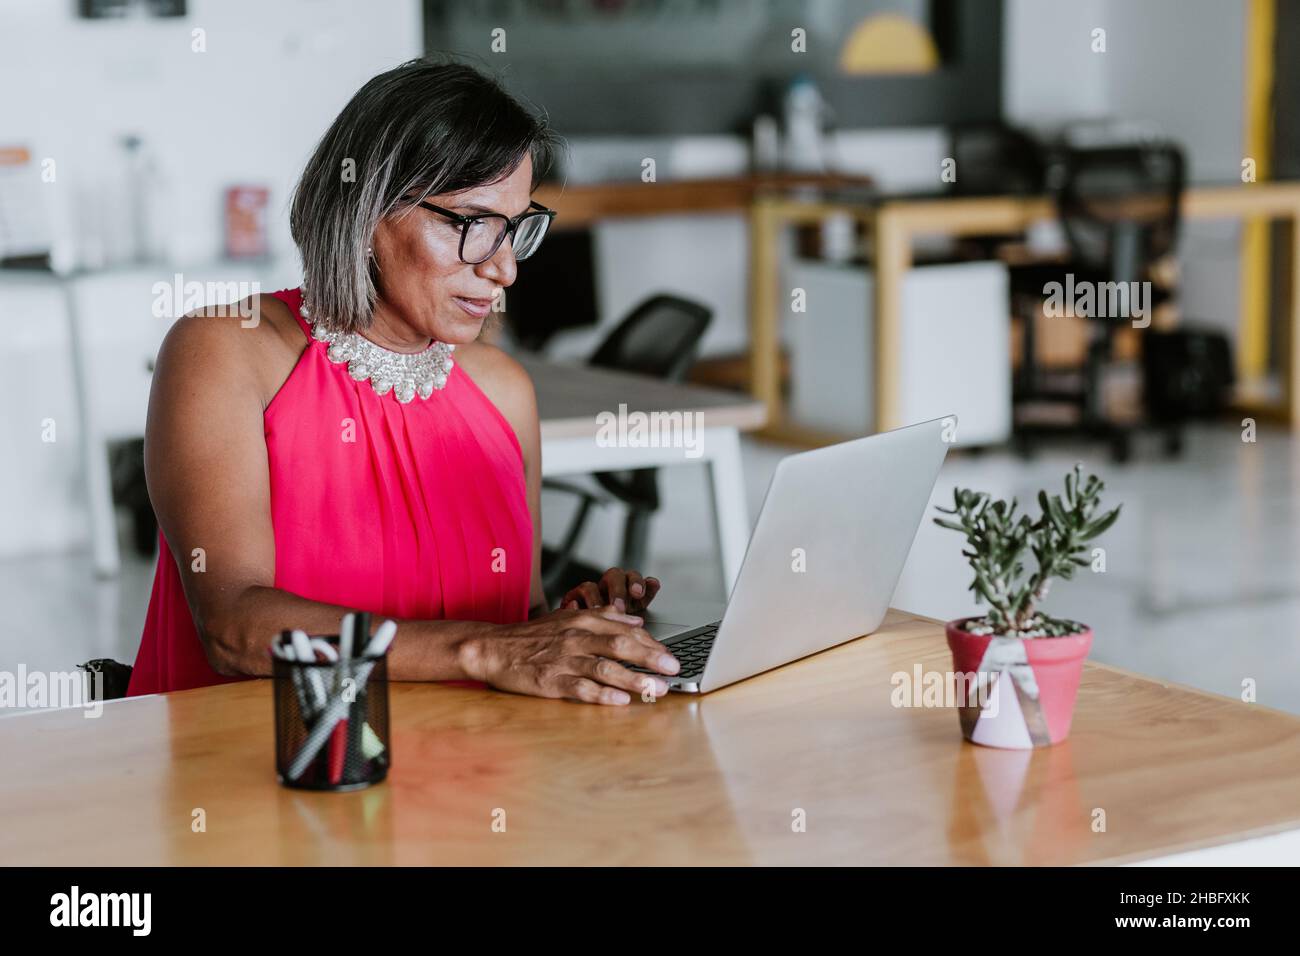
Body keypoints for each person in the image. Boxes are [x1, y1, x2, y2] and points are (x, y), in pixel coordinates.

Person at [126, 58, 679, 705]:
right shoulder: (227, 348)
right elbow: (234, 626)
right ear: (367, 213)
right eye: (472, 225)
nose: (504, 269)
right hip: (275, 773)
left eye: (516, 229)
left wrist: (568, 627)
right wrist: (482, 648)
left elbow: (515, 615)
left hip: (472, 773)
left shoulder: (503, 391)